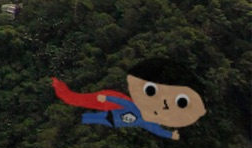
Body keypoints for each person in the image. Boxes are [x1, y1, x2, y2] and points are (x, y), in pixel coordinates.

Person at [53, 58, 207, 141]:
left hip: (113, 120)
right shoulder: (138, 108)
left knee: (91, 118)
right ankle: (70, 103)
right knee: (90, 113)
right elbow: (124, 103)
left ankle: (78, 117)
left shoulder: (148, 122)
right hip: (114, 112)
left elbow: (158, 130)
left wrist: (170, 135)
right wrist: (105, 97)